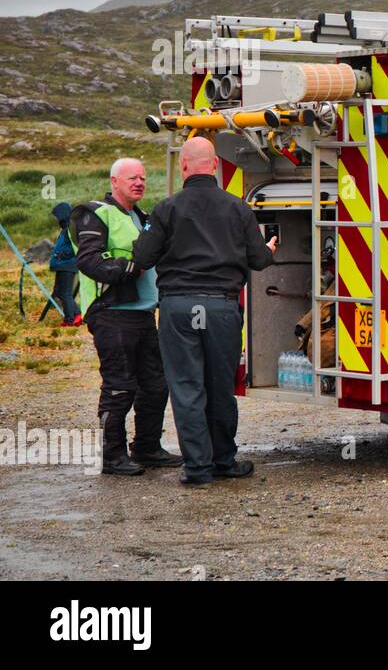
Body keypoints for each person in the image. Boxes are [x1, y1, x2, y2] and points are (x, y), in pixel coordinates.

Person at [133, 137, 277, 486]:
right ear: (214, 165)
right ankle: (223, 461)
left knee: (186, 387)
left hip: (179, 308)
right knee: (219, 387)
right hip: (221, 307)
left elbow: (142, 258)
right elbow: (259, 259)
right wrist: (270, 247)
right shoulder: (238, 208)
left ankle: (197, 468)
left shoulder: (166, 209)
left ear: (183, 166)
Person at [71, 159, 183, 476]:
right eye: (132, 177)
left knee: (156, 385)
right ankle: (112, 455)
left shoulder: (141, 217)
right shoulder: (96, 214)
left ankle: (147, 447)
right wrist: (131, 269)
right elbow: (89, 260)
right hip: (112, 313)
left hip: (144, 313)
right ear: (114, 181)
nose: (139, 182)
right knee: (120, 385)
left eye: (143, 178)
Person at [46, 201, 81, 326]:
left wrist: (66, 254)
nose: (56, 219)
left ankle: (70, 319)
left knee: (65, 293)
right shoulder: (66, 229)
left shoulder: (71, 228)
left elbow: (78, 245)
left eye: (57, 216)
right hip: (63, 265)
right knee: (60, 292)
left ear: (63, 214)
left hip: (67, 264)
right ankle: (77, 314)